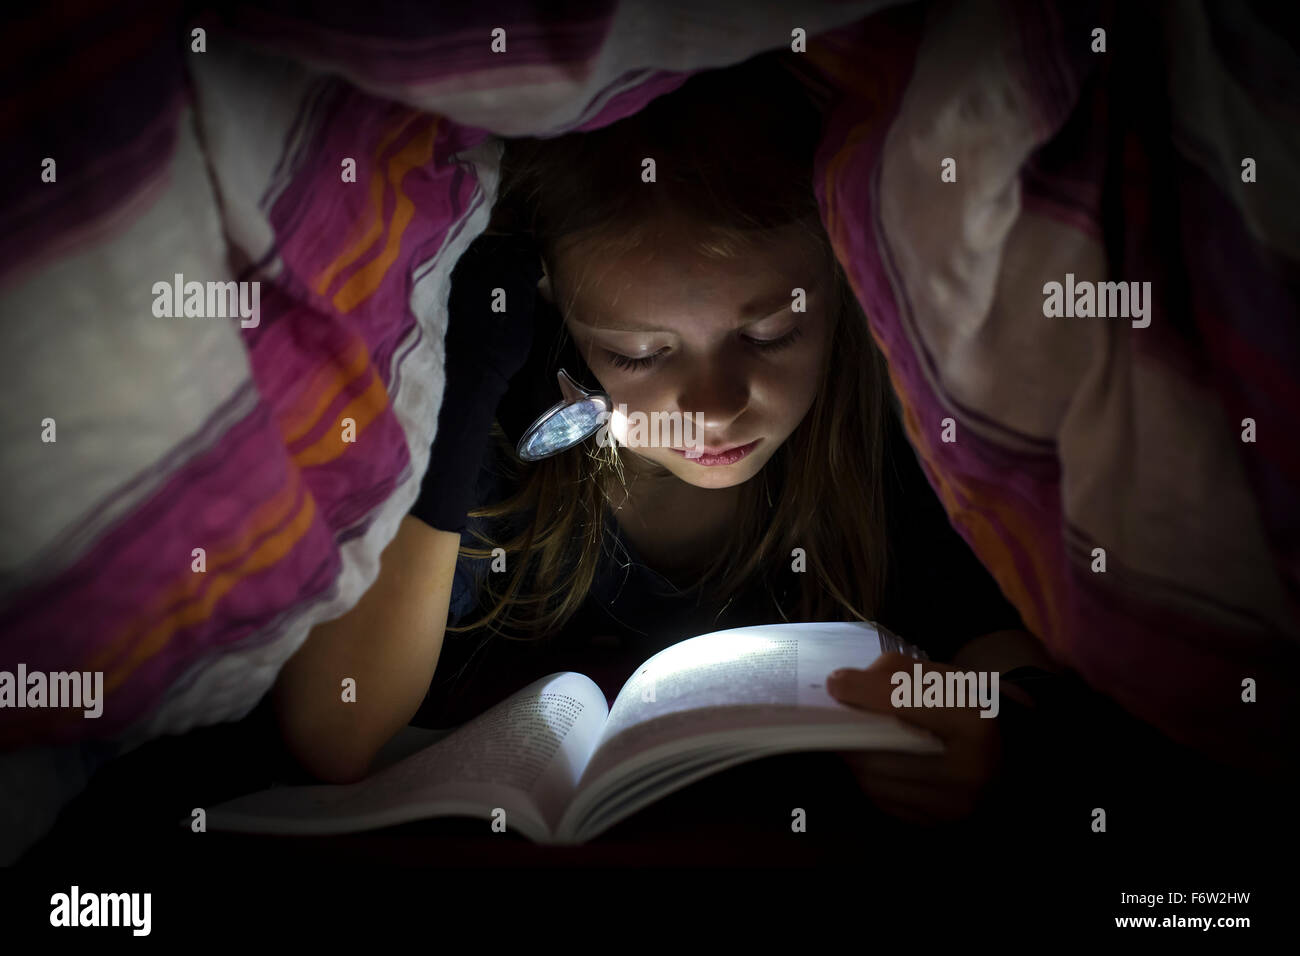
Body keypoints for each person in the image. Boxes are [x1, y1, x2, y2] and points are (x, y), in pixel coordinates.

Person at [271, 52, 1058, 825]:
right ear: (557, 306)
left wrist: (999, 731)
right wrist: (471, 349)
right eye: (638, 354)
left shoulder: (883, 422)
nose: (713, 411)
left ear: (842, 277)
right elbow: (335, 729)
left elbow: (992, 634)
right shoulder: (502, 427)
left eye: (774, 333)